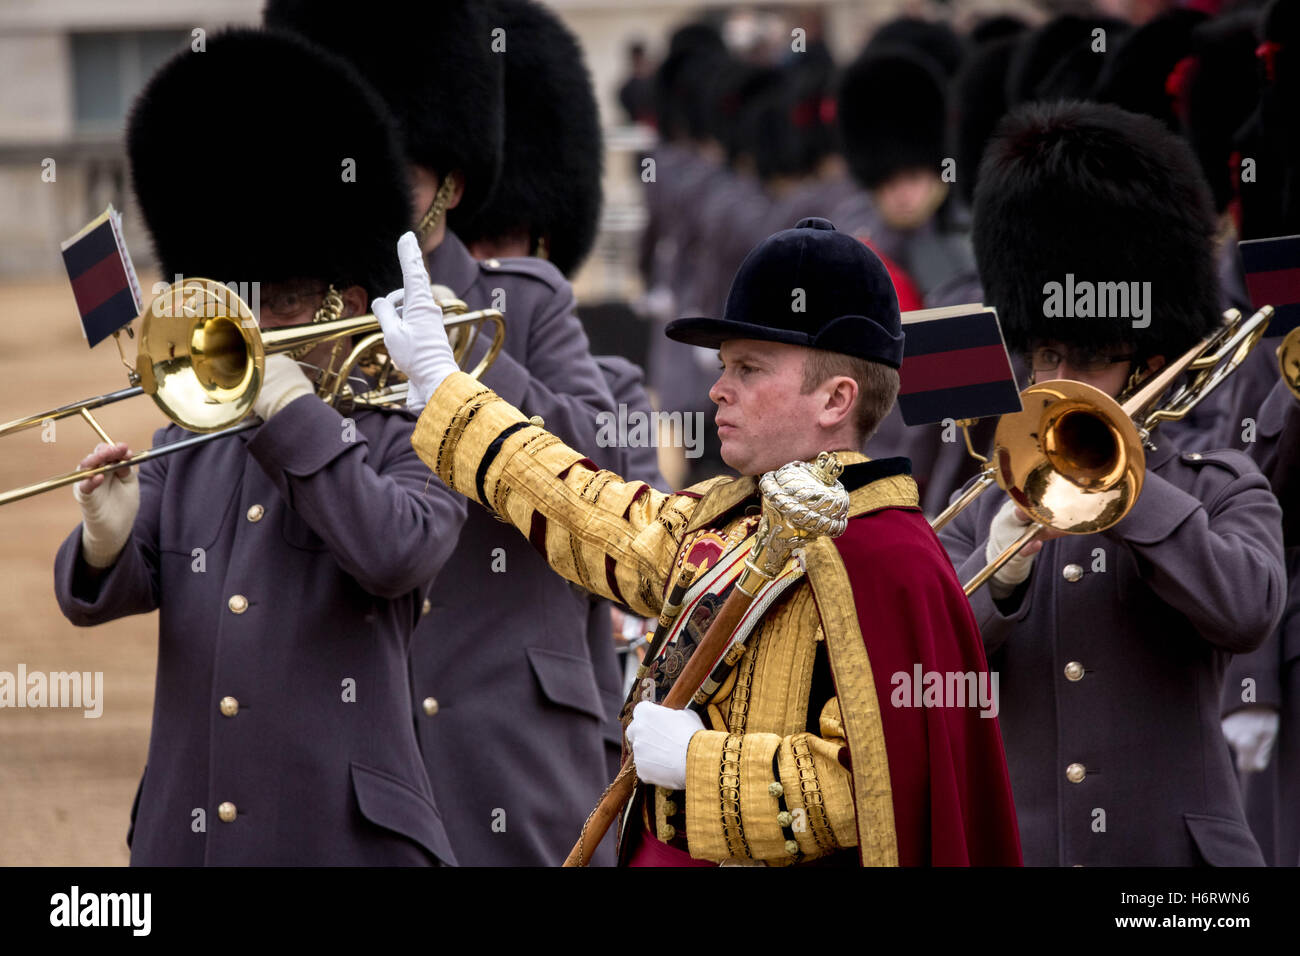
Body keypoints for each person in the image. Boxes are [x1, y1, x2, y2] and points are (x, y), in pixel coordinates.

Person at [377, 217, 1023, 866]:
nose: (718, 388)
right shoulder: (727, 516)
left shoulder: (894, 563)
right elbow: (586, 509)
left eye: (748, 368)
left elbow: (872, 790)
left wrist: (700, 763)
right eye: (723, 366)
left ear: (835, 399)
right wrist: (446, 391)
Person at [53, 28, 467, 866]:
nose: (256, 323)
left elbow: (394, 553)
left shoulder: (411, 430)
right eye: (248, 297)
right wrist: (104, 539)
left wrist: (292, 411)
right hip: (191, 834)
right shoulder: (194, 437)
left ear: (342, 302)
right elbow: (122, 584)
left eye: (281, 300)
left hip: (343, 842)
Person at [266, 0, 626, 865]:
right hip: (345, 735)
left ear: (451, 187)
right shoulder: (305, 314)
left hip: (506, 733)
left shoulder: (527, 302)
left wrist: (461, 359)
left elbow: (605, 469)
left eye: (402, 176)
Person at [938, 100, 1286, 866]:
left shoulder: (1219, 483)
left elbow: (1247, 611)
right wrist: (998, 578)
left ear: (1150, 361)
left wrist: (1127, 492)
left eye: (1090, 357)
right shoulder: (987, 509)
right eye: (1044, 354)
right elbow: (925, 670)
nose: (1059, 382)